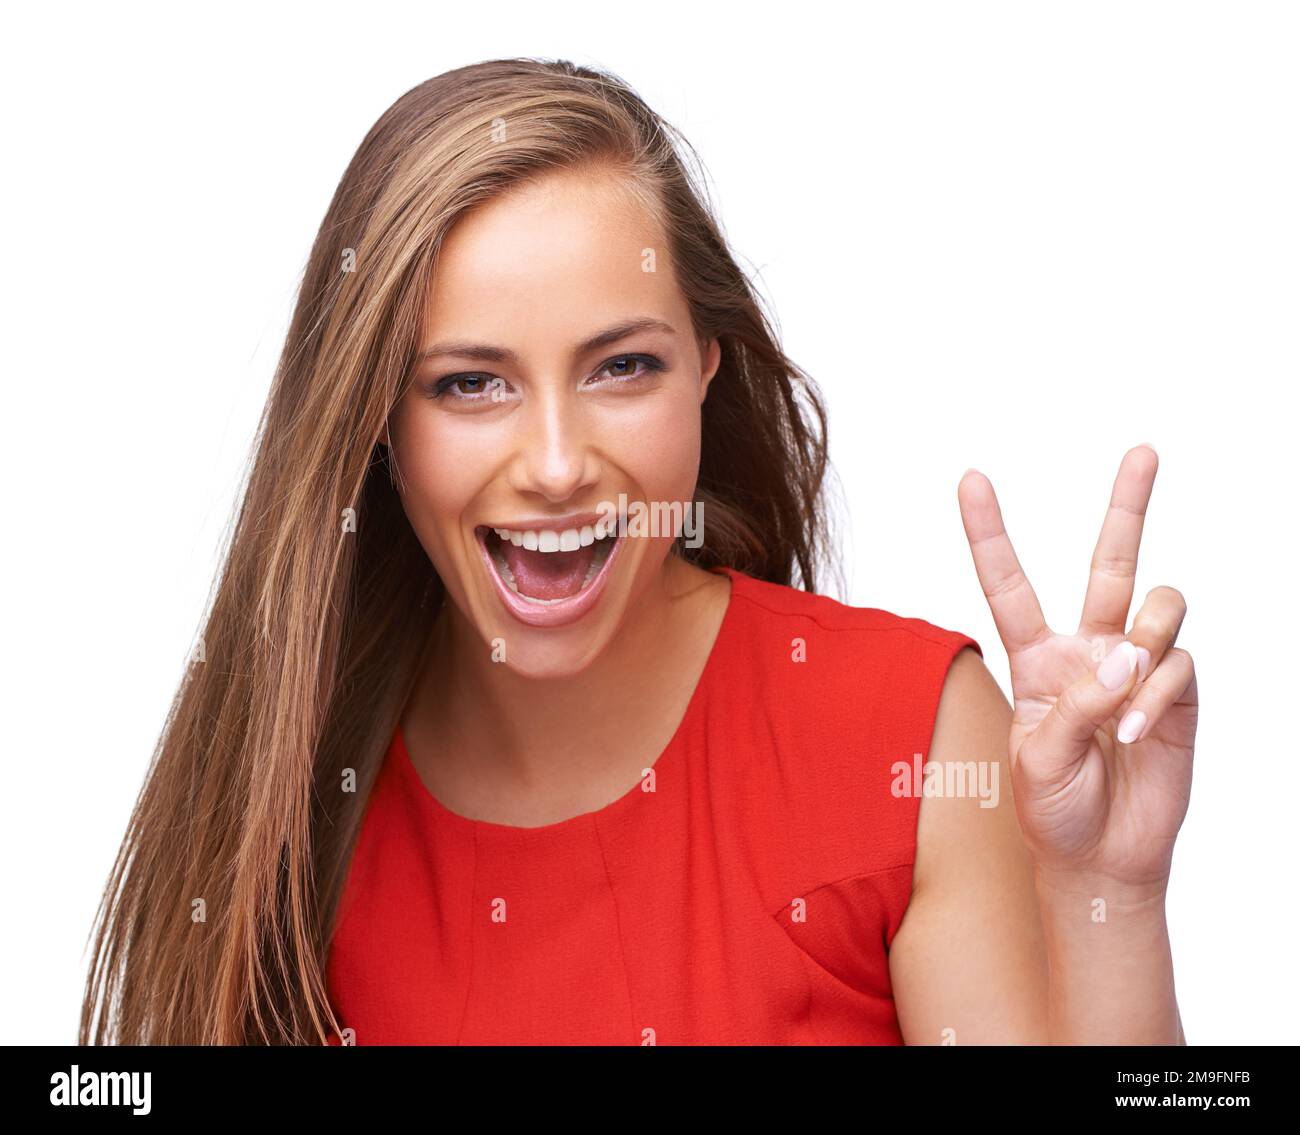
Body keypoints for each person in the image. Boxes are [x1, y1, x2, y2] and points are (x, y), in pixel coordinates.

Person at [82, 58, 1197, 1046]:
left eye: (622, 367)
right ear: (376, 422)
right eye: (469, 384)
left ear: (709, 362)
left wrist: (1111, 899)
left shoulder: (908, 736)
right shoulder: (290, 796)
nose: (558, 464)